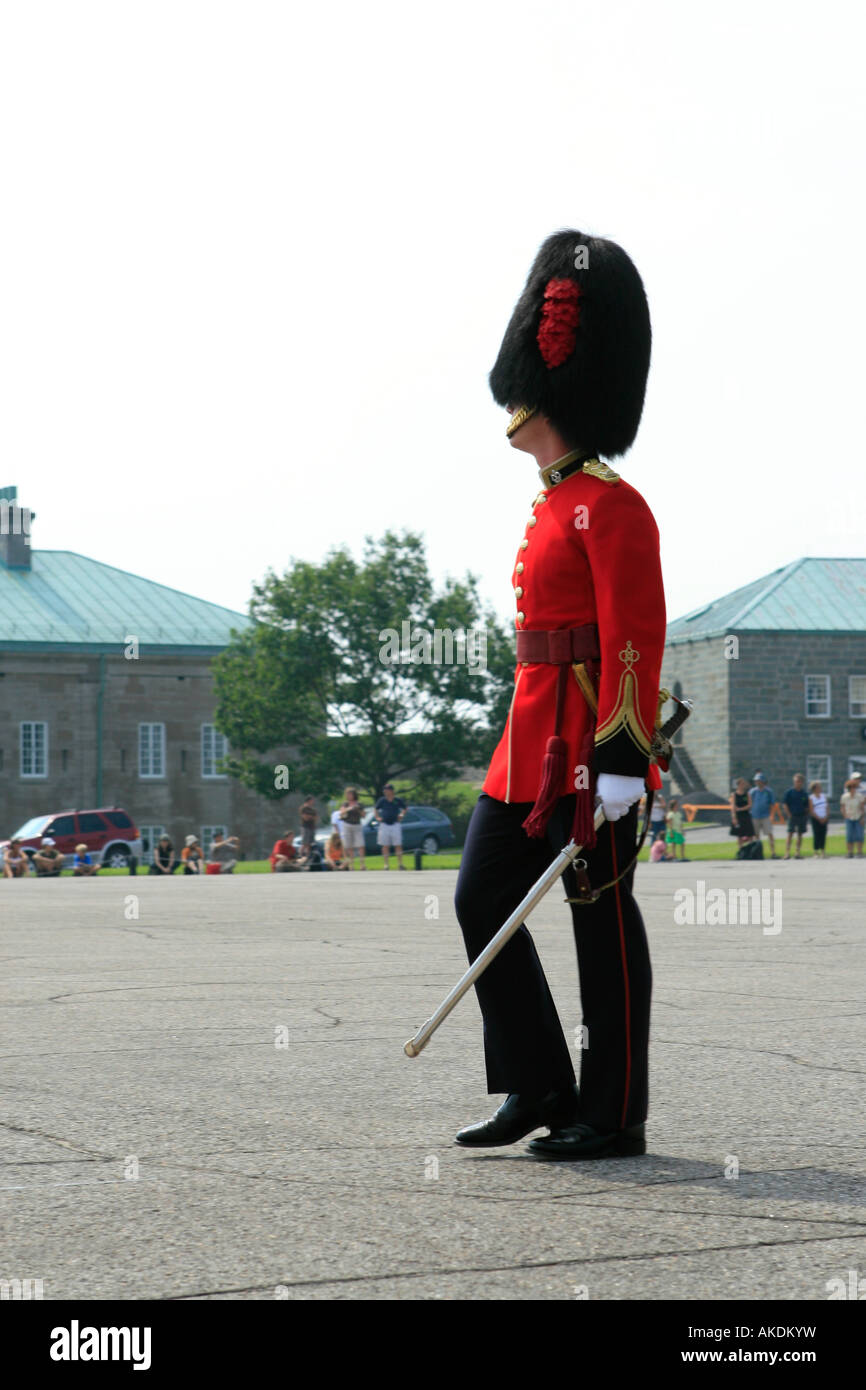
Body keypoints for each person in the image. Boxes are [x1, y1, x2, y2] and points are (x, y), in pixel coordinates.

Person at [452, 229, 665, 1161]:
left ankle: (613, 1110)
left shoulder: (611, 504)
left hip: (586, 747)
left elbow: (631, 637)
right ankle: (539, 1082)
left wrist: (624, 751)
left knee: (600, 919)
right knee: (479, 896)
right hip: (527, 742)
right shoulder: (551, 500)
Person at [374, 783, 407, 869]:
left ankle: (400, 864)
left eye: (387, 790)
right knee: (385, 845)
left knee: (398, 844)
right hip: (384, 824)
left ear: (391, 791)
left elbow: (405, 808)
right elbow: (376, 809)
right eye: (384, 790)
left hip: (395, 824)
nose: (385, 791)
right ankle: (386, 864)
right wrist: (377, 817)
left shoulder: (397, 800)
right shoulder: (382, 800)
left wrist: (401, 815)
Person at [748, 773, 778, 858]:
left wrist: (772, 815)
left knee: (769, 834)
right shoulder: (753, 791)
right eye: (756, 781)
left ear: (762, 781)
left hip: (765, 815)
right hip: (755, 815)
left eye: (759, 781)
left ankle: (773, 852)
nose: (757, 782)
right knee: (756, 835)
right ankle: (757, 853)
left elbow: (772, 804)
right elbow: (750, 802)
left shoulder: (768, 791)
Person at [338, 787, 366, 870]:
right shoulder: (345, 804)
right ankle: (351, 865)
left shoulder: (359, 804)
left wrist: (358, 809)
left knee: (360, 844)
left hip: (357, 825)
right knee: (349, 846)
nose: (349, 796)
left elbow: (363, 815)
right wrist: (349, 808)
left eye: (350, 794)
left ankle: (362, 864)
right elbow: (341, 812)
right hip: (347, 825)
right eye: (348, 794)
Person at [782, 774, 809, 859]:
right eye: (796, 781)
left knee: (800, 834)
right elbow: (785, 804)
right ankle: (787, 853)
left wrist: (806, 814)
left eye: (799, 782)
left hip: (801, 816)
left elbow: (807, 805)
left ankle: (797, 852)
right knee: (790, 833)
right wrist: (789, 814)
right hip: (792, 815)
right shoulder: (789, 792)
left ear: (802, 782)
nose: (797, 783)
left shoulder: (804, 793)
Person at [840, 778, 865, 858]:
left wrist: (863, 817)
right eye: (850, 787)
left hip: (858, 817)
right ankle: (850, 852)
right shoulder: (844, 797)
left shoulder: (859, 796)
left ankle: (859, 852)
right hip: (849, 818)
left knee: (859, 835)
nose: (852, 789)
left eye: (854, 787)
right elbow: (843, 807)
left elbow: (862, 808)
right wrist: (845, 816)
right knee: (849, 836)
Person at [729, 777, 755, 847]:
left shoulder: (747, 794)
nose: (743, 785)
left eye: (744, 784)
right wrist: (734, 817)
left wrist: (741, 809)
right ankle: (741, 850)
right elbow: (733, 806)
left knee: (750, 833)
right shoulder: (734, 795)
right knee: (739, 834)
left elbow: (750, 805)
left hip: (746, 815)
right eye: (742, 784)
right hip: (738, 816)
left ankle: (750, 850)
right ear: (738, 785)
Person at [808, 782, 829, 858]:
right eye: (818, 787)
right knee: (817, 834)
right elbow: (811, 810)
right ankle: (816, 851)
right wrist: (819, 818)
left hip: (824, 818)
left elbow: (826, 807)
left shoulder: (824, 796)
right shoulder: (811, 798)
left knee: (823, 834)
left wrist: (826, 816)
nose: (820, 789)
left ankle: (823, 851)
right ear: (814, 789)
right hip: (816, 819)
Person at [665, 797, 688, 861]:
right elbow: (669, 823)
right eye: (676, 805)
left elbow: (680, 823)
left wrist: (682, 830)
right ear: (673, 806)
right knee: (673, 844)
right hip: (673, 831)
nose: (677, 806)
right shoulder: (670, 814)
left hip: (679, 831)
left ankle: (683, 856)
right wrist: (671, 832)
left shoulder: (678, 813)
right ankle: (674, 857)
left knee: (682, 843)